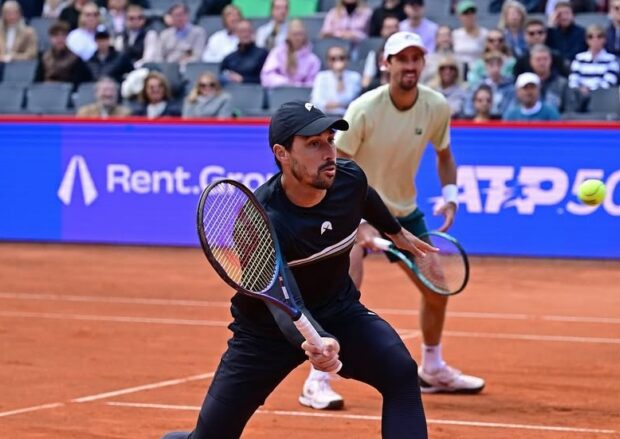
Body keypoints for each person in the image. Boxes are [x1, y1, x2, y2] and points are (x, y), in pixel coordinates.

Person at [161, 100, 433, 438]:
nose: (329, 153)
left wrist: (395, 231)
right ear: (282, 153)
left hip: (338, 310)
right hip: (265, 332)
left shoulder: (348, 178)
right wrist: (315, 339)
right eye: (314, 144)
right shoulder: (259, 221)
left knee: (400, 373)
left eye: (330, 140)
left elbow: (365, 196)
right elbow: (280, 299)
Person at [298, 31, 486, 411]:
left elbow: (445, 155)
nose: (410, 66)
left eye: (416, 58)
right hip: (350, 210)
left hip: (403, 211)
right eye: (402, 59)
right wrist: (358, 219)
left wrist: (451, 197)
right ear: (387, 64)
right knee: (342, 293)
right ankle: (317, 380)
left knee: (437, 289)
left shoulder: (435, 106)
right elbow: (337, 164)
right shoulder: (364, 108)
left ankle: (432, 367)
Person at [569, 24, 620, 111]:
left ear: (604, 39)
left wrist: (590, 90)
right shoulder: (579, 58)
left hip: (602, 100)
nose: (595, 40)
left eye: (599, 36)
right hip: (579, 98)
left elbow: (609, 83)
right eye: (590, 36)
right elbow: (573, 81)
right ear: (586, 40)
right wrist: (580, 90)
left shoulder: (612, 60)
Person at [260, 18, 320, 88]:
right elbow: (266, 76)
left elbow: (312, 84)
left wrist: (296, 86)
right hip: (279, 91)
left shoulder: (313, 60)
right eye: (294, 34)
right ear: (288, 35)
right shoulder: (277, 53)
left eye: (300, 34)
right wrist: (286, 83)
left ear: (304, 35)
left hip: (302, 94)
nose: (297, 38)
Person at [35, 21, 93, 85]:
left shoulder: (75, 59)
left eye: (63, 35)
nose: (60, 39)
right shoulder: (44, 58)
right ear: (50, 38)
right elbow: (37, 82)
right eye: (56, 35)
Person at [311, 45, 362, 115]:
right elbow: (316, 101)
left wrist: (340, 76)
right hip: (324, 116)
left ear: (346, 60)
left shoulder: (355, 76)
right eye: (333, 58)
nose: (337, 61)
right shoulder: (321, 76)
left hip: (346, 116)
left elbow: (349, 100)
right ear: (327, 61)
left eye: (341, 58)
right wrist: (339, 105)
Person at [221, 19, 269, 84]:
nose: (245, 34)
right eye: (241, 31)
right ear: (236, 33)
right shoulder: (229, 58)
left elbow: (267, 78)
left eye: (248, 31)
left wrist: (243, 79)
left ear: (253, 32)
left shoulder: (263, 54)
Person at [452, 0, 488, 68]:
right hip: (459, 69)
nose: (469, 16)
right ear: (459, 16)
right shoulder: (455, 34)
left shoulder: (484, 33)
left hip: (478, 69)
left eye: (472, 12)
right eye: (466, 13)